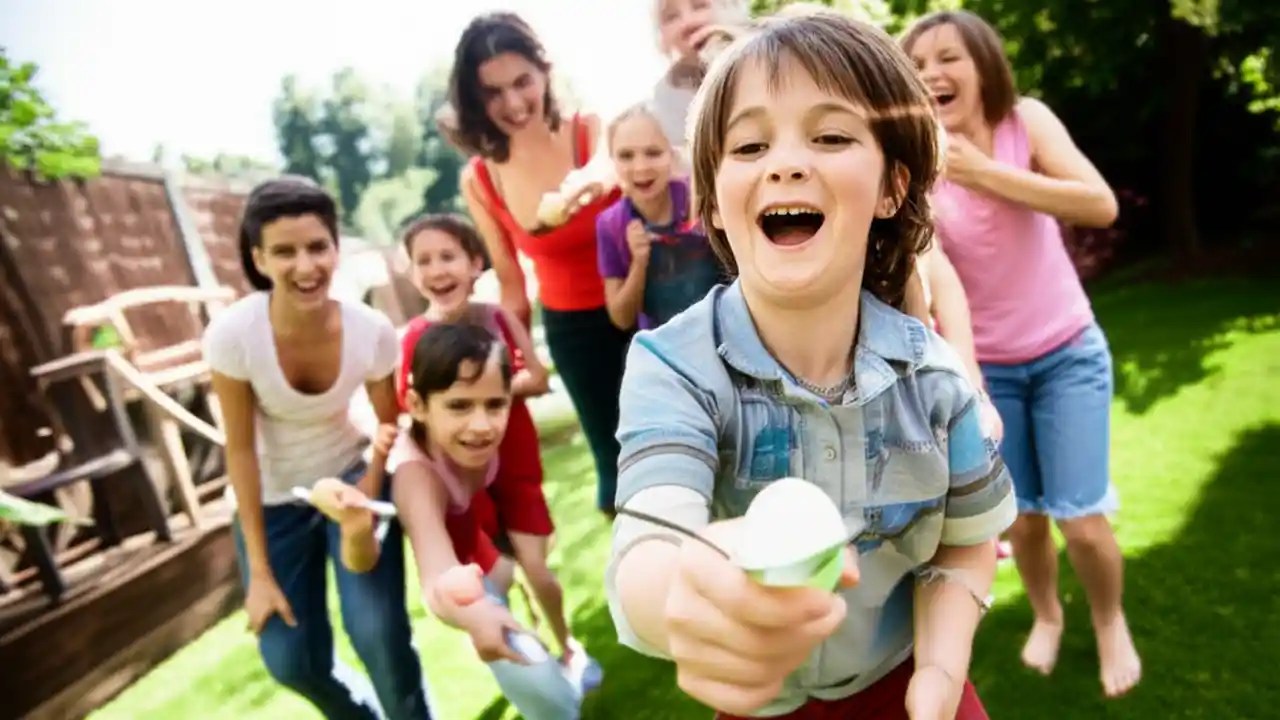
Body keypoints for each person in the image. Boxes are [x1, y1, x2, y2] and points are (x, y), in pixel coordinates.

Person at [606, 14, 1016, 720]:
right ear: (711, 200)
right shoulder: (673, 367)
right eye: (750, 145)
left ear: (892, 187)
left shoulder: (935, 381)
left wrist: (941, 673)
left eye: (830, 137)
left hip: (914, 686)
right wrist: (681, 590)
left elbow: (967, 543)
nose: (786, 164)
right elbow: (648, 545)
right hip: (761, 701)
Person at [903, 9, 1140, 698]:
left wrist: (983, 173)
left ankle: (1109, 621)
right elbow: (932, 275)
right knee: (1025, 520)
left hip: (1068, 351)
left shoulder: (1024, 123)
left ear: (983, 64)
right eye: (917, 65)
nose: (932, 73)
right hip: (992, 371)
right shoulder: (917, 165)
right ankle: (1048, 615)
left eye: (947, 57)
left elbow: (1098, 205)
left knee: (1083, 524)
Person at [202, 176, 431, 719]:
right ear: (259, 259)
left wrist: (366, 495)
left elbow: (389, 425)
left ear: (335, 248)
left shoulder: (370, 330)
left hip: (350, 476)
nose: (305, 266)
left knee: (378, 634)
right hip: (274, 501)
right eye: (285, 252)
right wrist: (259, 574)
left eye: (317, 247)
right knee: (291, 660)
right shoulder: (234, 336)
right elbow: (240, 451)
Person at [316, 322, 602, 720]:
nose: (481, 424)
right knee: (520, 658)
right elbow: (435, 570)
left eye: (494, 404)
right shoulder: (417, 478)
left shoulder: (487, 435)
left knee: (508, 581)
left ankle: (558, 658)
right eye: (459, 406)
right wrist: (473, 612)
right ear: (416, 405)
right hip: (449, 553)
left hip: (474, 531)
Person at [449, 11, 629, 515]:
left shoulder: (589, 130)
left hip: (643, 303)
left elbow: (614, 167)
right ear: (474, 99)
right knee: (615, 471)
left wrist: (593, 180)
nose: (512, 103)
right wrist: (516, 361)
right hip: (574, 330)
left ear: (544, 73)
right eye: (492, 92)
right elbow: (511, 285)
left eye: (522, 82)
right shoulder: (481, 179)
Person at [393, 212, 584, 669]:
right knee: (496, 574)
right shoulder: (415, 338)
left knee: (536, 568)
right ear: (412, 273)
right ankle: (524, 653)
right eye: (424, 261)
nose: (437, 270)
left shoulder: (496, 318)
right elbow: (408, 405)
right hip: (461, 478)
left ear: (475, 263)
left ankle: (567, 645)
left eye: (448, 256)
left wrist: (490, 392)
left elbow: (537, 376)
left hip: (514, 462)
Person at [596, 103, 723, 331]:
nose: (641, 167)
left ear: (672, 155)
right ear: (612, 161)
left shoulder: (699, 198)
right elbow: (621, 318)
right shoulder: (611, 224)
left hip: (722, 332)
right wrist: (639, 262)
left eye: (653, 153)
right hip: (663, 344)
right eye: (626, 156)